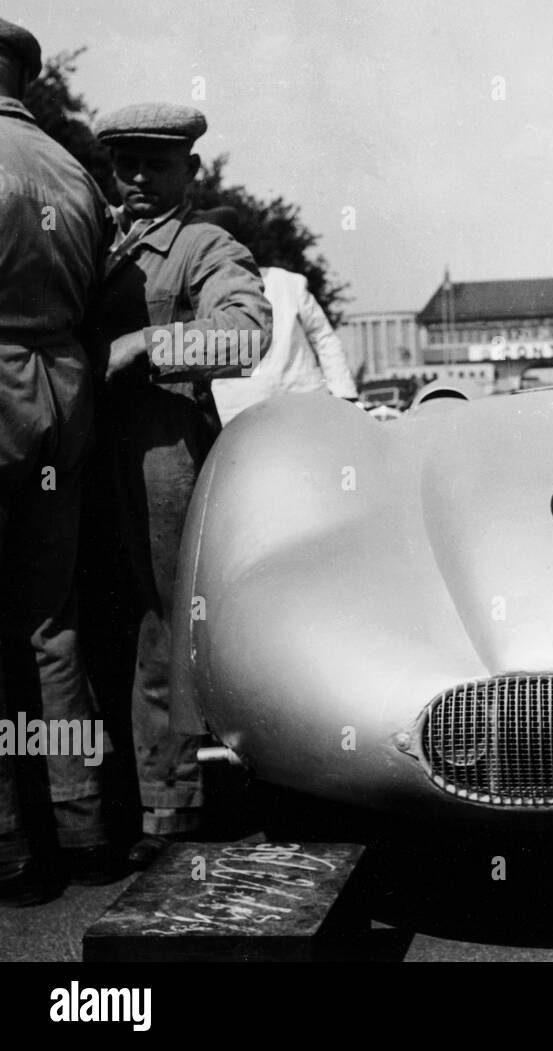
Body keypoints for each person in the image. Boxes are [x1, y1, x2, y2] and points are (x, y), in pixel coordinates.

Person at [80, 103, 272, 869]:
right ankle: (97, 806)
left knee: (161, 630)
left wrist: (146, 342)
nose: (136, 179)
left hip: (160, 449)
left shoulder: (205, 245)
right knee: (89, 628)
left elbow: (246, 335)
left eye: (156, 165)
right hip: (81, 449)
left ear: (192, 172)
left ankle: (171, 810)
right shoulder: (89, 239)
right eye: (124, 163)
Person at [0, 17, 114, 904]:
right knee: (51, 621)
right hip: (64, 389)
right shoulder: (71, 169)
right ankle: (80, 827)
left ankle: (9, 849)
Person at [196, 206, 358, 423]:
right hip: (240, 415)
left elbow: (324, 338)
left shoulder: (286, 283)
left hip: (303, 405)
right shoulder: (199, 298)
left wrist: (344, 393)